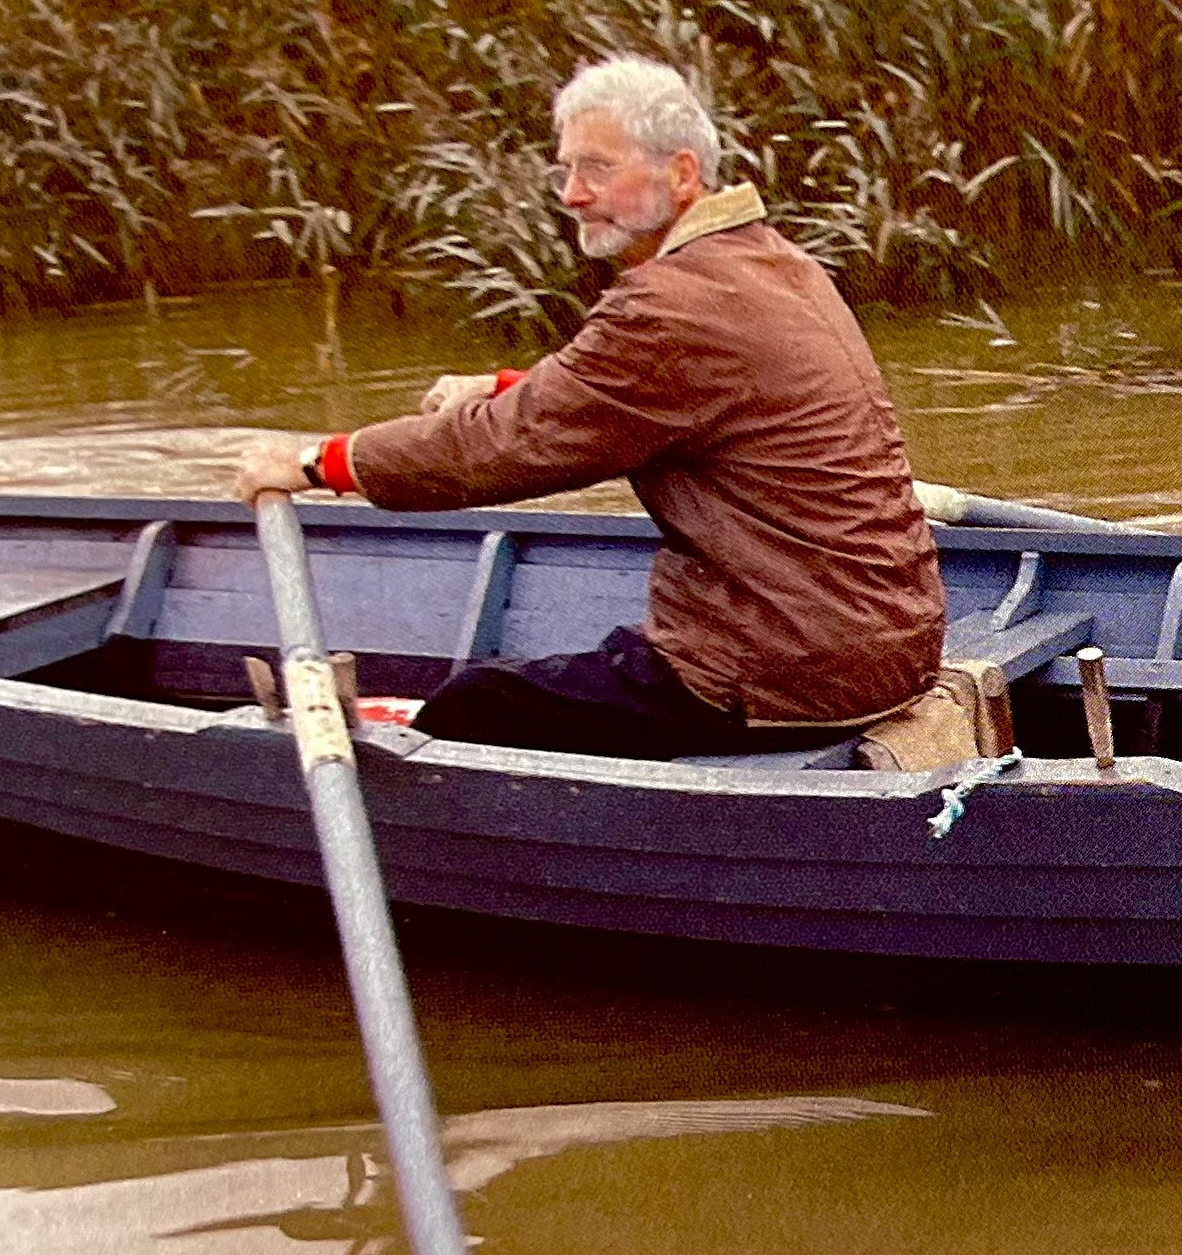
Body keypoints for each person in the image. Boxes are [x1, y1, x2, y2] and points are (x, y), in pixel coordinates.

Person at [228, 53, 946, 757]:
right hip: (888, 648)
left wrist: (317, 463)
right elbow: (631, 394)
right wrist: (505, 386)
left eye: (597, 169)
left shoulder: (672, 303)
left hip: (789, 671)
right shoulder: (773, 262)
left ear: (682, 173)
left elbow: (500, 448)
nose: (572, 194)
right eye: (566, 170)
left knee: (472, 705)